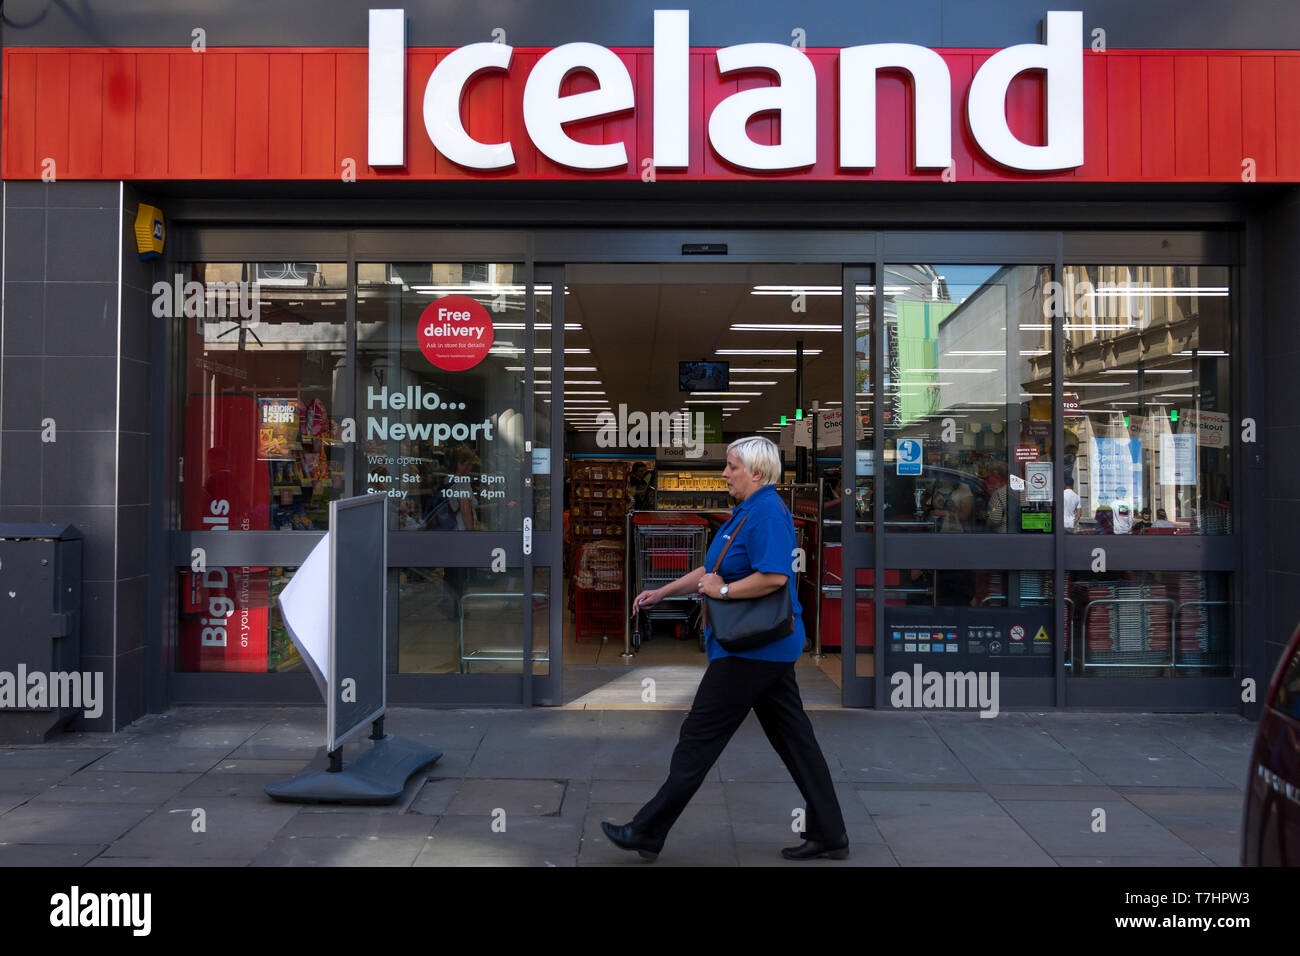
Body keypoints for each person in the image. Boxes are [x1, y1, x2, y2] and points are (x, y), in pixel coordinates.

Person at [602, 436, 848, 862]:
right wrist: (664, 592)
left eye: (731, 466)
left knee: (698, 738)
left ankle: (647, 830)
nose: (724, 473)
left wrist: (726, 590)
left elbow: (773, 577)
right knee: (796, 741)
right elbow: (709, 569)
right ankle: (830, 833)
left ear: (756, 472)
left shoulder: (768, 512)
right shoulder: (747, 511)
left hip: (752, 649)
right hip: (763, 647)